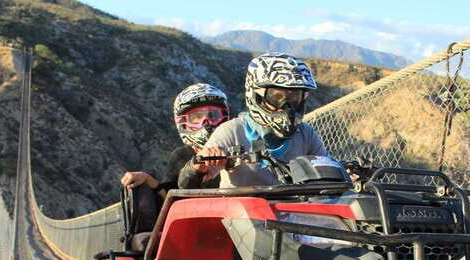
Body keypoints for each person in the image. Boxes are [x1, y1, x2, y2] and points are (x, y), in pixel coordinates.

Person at [179, 53, 328, 188]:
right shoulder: (232, 131)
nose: (286, 106)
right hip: (241, 214)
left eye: (294, 98)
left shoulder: (305, 133)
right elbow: (187, 184)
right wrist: (200, 165)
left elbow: (327, 173)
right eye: (277, 97)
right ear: (256, 95)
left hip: (294, 213)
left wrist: (343, 174)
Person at [120, 83, 230, 192]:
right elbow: (168, 197)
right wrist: (147, 180)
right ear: (183, 123)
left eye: (213, 115)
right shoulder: (181, 156)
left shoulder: (237, 148)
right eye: (196, 117)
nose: (206, 123)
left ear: (224, 116)